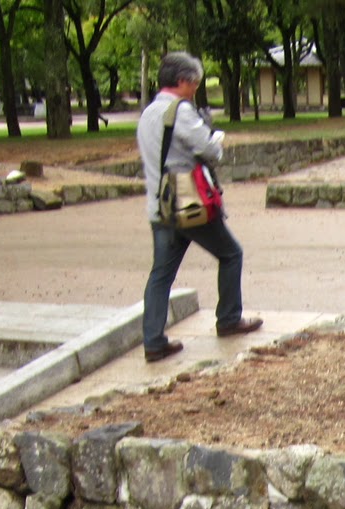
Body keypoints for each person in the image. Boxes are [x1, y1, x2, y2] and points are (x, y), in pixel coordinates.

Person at [137, 51, 262, 363]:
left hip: (160, 207)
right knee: (231, 253)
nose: (195, 88)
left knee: (160, 275)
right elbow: (209, 150)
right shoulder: (180, 111)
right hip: (190, 205)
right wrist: (214, 137)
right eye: (193, 82)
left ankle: (153, 341)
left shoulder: (149, 113)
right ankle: (229, 319)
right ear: (181, 81)